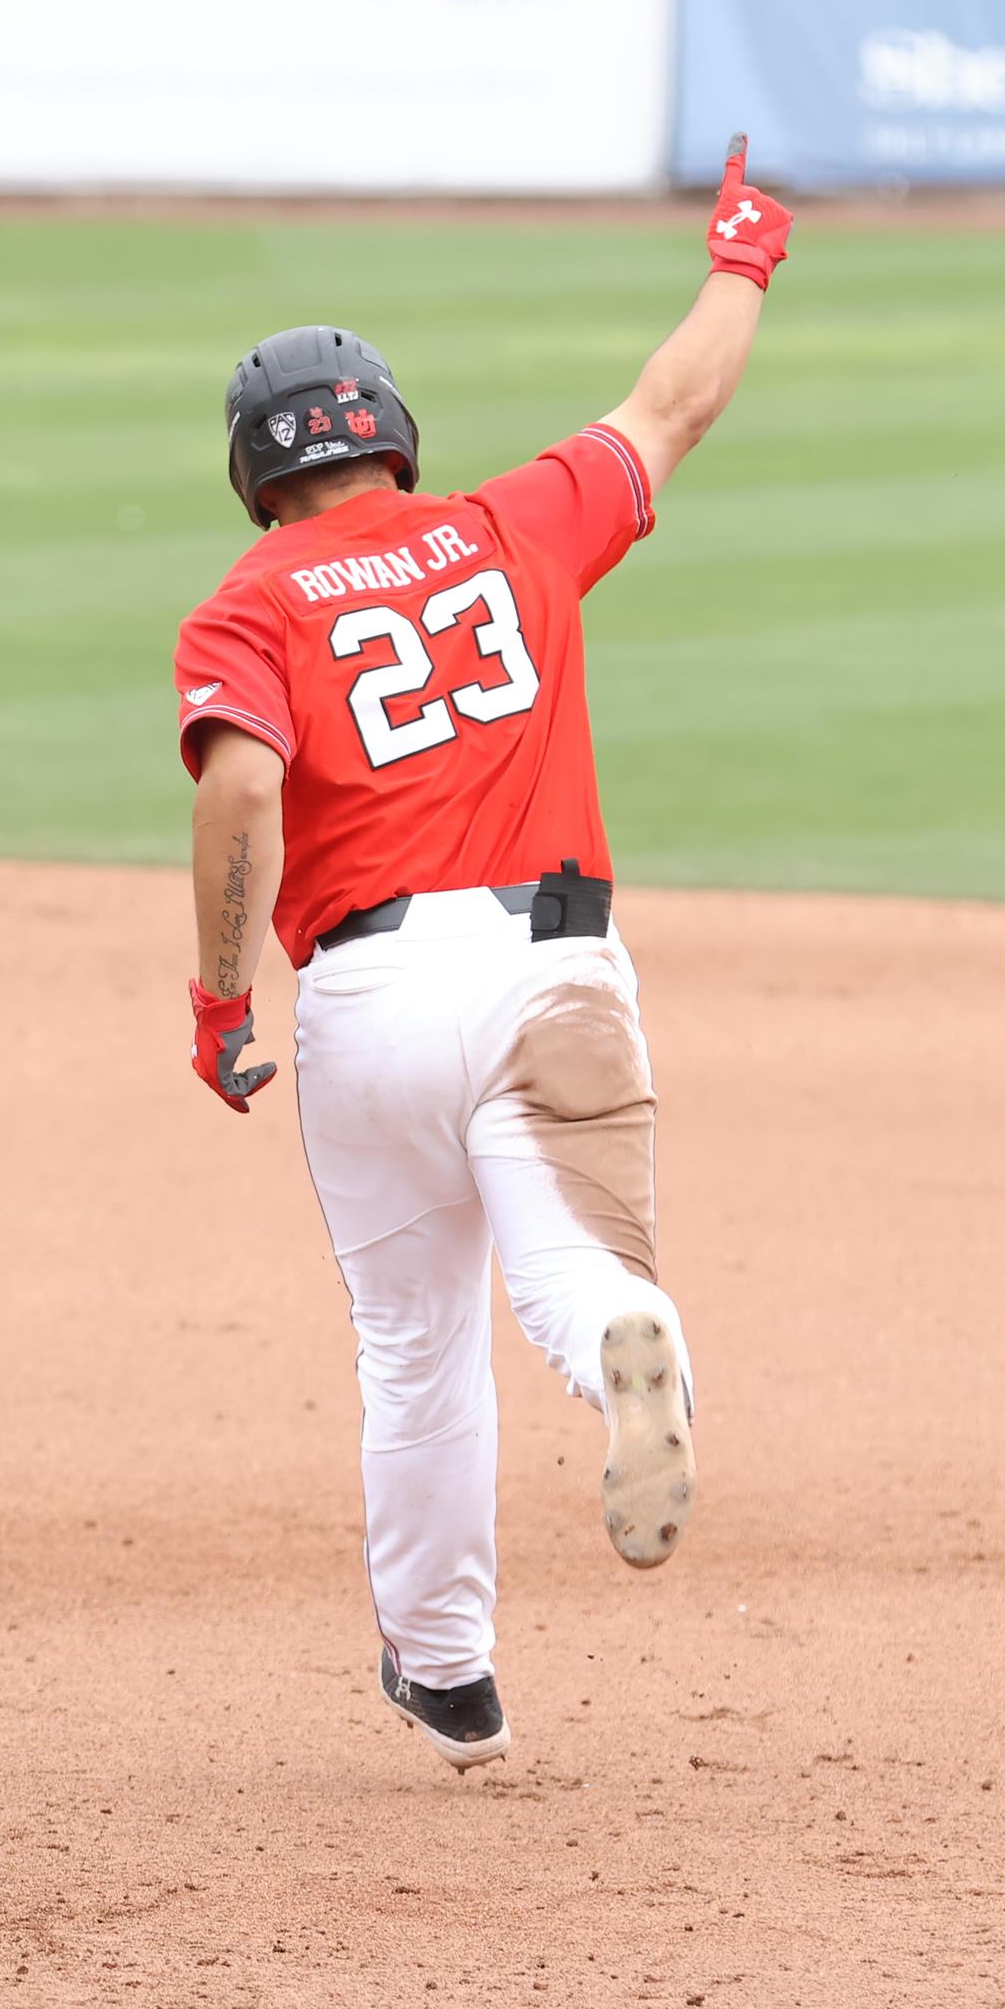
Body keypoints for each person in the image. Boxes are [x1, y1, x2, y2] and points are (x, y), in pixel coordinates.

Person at [169, 141, 794, 1773]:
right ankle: (614, 1348)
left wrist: (220, 995)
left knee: (414, 1342)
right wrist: (744, 253)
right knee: (571, 1262)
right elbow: (674, 406)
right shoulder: (518, 523)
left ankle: (450, 1674)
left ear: (259, 473)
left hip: (369, 999)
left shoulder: (247, 604)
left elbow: (240, 785)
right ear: (394, 438)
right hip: (556, 968)